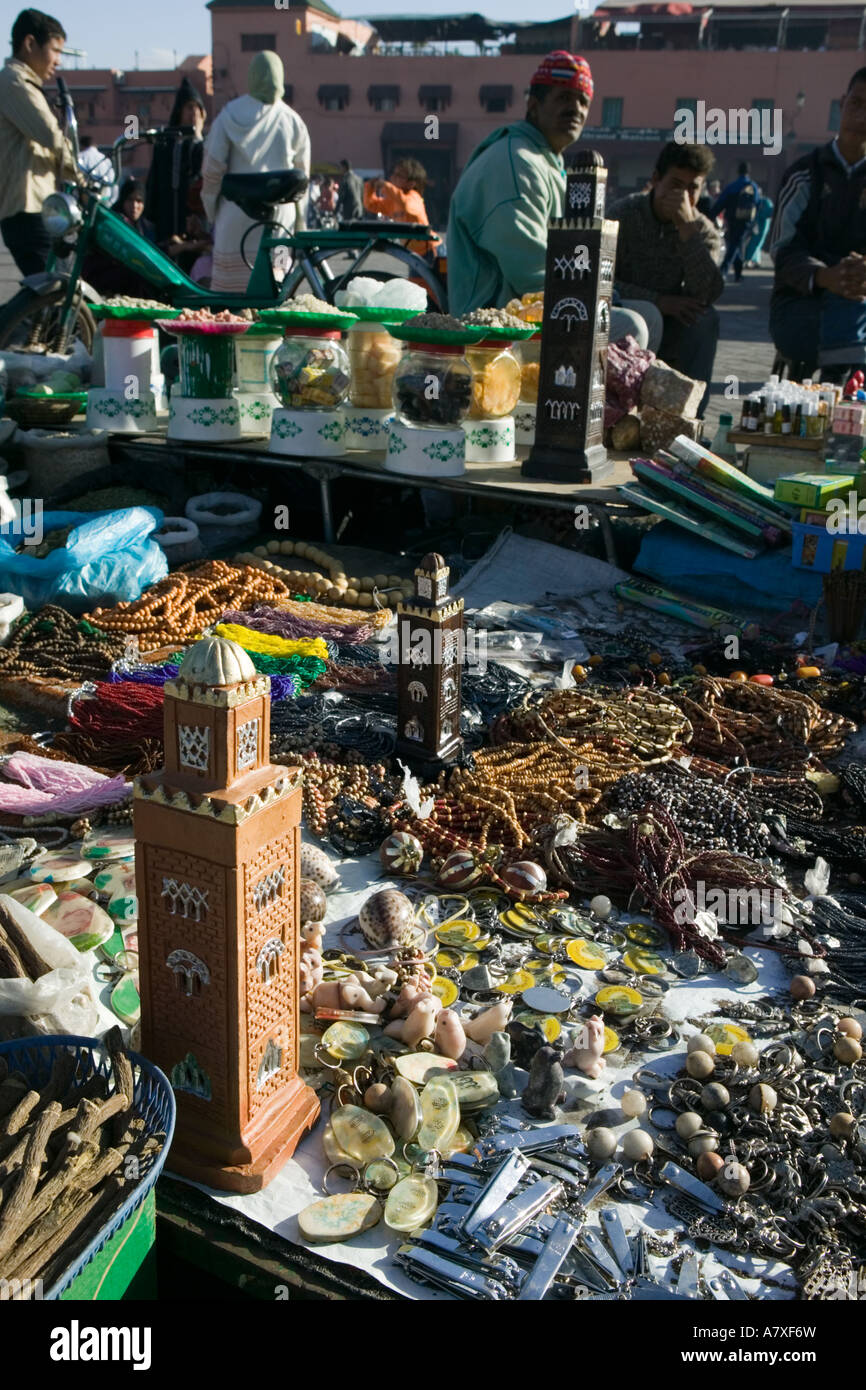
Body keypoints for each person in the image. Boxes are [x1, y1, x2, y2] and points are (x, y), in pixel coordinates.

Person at [446, 51, 654, 349]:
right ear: (534, 105)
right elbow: (532, 274)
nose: (576, 109)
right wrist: (598, 294)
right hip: (495, 329)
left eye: (583, 101)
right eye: (564, 98)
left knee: (650, 315)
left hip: (537, 310)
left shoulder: (546, 160)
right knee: (630, 327)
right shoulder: (517, 162)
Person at [608, 141, 724, 413]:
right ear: (656, 179)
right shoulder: (622, 215)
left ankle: (689, 414)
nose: (683, 195)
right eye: (675, 184)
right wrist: (657, 300)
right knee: (646, 314)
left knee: (706, 319)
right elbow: (601, 278)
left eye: (692, 188)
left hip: (675, 324)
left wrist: (686, 230)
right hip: (627, 310)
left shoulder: (703, 231)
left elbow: (708, 291)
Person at [769, 68, 866, 376]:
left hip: (861, 299)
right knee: (819, 333)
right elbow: (782, 249)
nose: (862, 115)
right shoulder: (804, 174)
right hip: (801, 300)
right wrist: (827, 276)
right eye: (856, 103)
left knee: (852, 314)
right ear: (842, 104)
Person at [201, 51, 310, 295]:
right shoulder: (293, 120)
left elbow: (212, 170)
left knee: (230, 300)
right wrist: (300, 224)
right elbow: (302, 182)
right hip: (281, 219)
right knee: (277, 289)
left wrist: (211, 210)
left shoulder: (229, 115)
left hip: (236, 215)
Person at [0, 8, 80, 276]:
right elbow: (50, 135)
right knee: (54, 294)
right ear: (30, 43)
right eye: (55, 51)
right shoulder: (15, 82)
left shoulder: (20, 82)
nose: (58, 61)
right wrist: (83, 174)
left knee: (48, 300)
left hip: (34, 208)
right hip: (29, 209)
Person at [145, 75, 207, 248]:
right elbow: (154, 183)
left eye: (197, 109)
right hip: (165, 223)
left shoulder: (205, 146)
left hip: (194, 224)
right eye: (189, 108)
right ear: (179, 111)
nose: (193, 113)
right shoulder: (165, 145)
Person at [82, 176, 156, 297]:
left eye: (139, 201)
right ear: (122, 200)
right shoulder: (115, 222)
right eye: (130, 200)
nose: (134, 206)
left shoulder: (144, 226)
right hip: (99, 275)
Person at [363, 157, 439, 257]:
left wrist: (386, 187)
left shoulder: (414, 197)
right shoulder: (392, 203)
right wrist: (370, 187)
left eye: (398, 175)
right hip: (414, 253)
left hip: (431, 249)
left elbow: (406, 205)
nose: (392, 177)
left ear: (411, 183)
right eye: (393, 173)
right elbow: (371, 205)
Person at [711, 161, 760, 281]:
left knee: (734, 244)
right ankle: (736, 273)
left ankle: (724, 270)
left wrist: (712, 215)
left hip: (732, 219)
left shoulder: (732, 186)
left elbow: (722, 201)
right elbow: (758, 204)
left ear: (738, 171)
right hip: (745, 220)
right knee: (737, 244)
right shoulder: (752, 186)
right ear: (748, 172)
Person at [744, 193, 773, 269]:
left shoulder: (762, 202)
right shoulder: (764, 202)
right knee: (755, 243)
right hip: (760, 225)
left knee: (757, 243)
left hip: (761, 225)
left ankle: (755, 260)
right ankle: (749, 260)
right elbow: (770, 212)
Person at [336, 157, 363, 222]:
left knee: (349, 231)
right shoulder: (359, 179)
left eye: (340, 167)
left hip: (349, 211)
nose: (340, 169)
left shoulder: (346, 179)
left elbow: (341, 196)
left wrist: (335, 211)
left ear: (344, 167)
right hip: (359, 209)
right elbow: (362, 195)